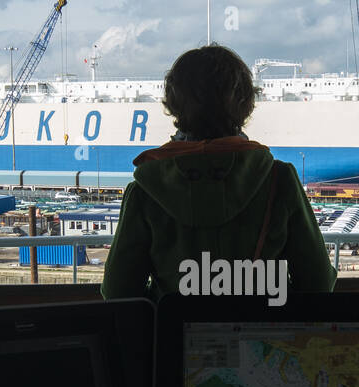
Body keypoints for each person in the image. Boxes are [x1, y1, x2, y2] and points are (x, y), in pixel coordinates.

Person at [100, 45, 336, 300]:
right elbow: (318, 283)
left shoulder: (146, 189)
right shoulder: (279, 179)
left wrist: (166, 304)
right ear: (246, 103)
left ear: (174, 104)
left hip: (174, 337)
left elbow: (118, 292)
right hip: (260, 336)